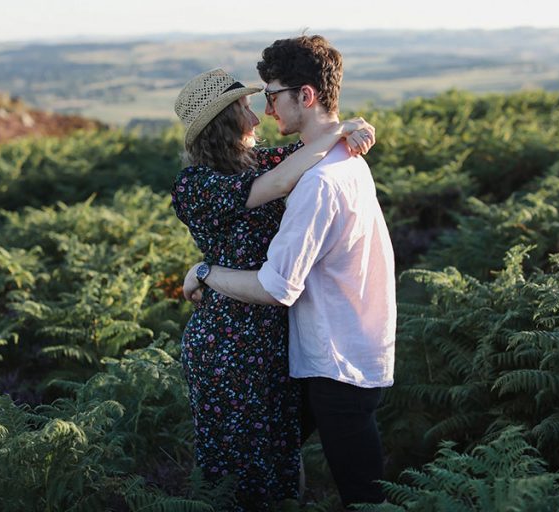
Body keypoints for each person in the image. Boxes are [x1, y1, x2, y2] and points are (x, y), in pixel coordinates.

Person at [183, 35, 396, 508]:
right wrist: (342, 130)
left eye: (269, 96)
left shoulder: (306, 172)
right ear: (225, 124)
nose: (263, 112)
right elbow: (281, 179)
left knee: (282, 475)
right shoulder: (203, 185)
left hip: (306, 347)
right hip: (241, 344)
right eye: (252, 104)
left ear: (306, 95)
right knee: (247, 475)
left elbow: (276, 284)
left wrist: (204, 272)